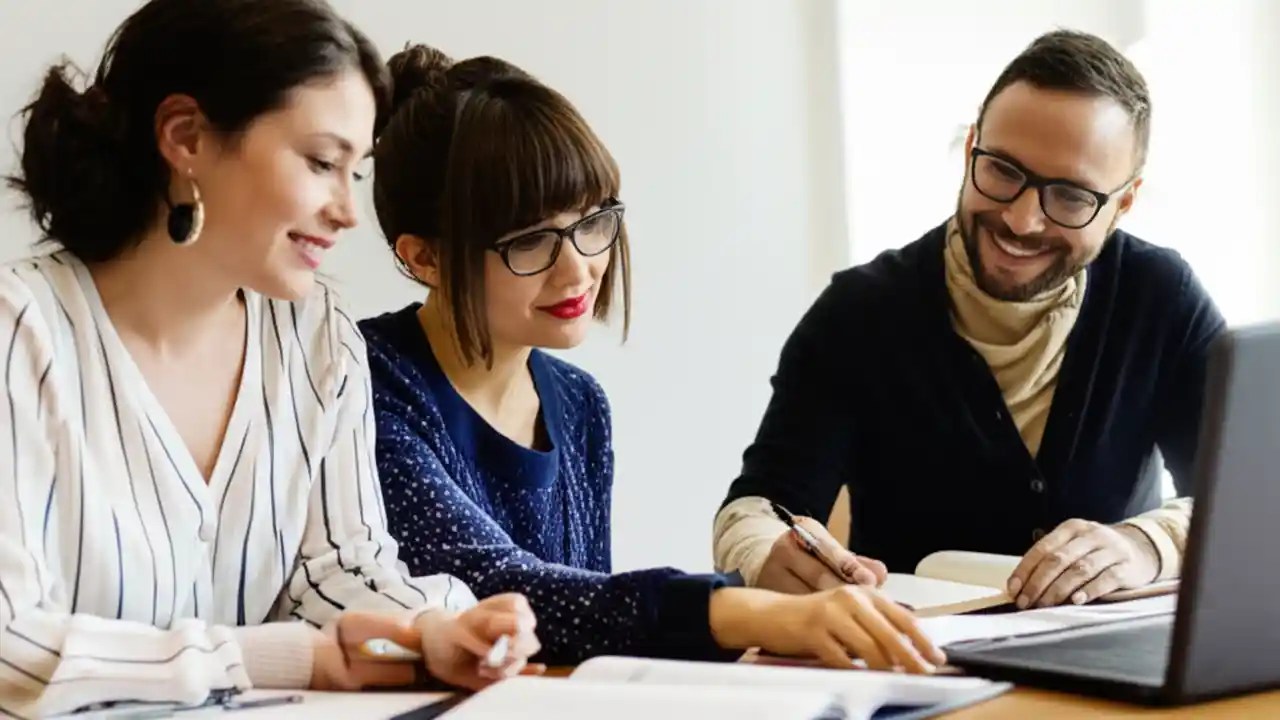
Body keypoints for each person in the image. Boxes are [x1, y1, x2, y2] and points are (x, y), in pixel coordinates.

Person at [0, 2, 539, 717]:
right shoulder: (22, 331)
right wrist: (261, 657)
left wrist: (429, 633)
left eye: (357, 172)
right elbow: (11, 645)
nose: (348, 212)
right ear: (185, 136)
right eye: (321, 163)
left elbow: (339, 571)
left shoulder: (319, 341)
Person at [360, 45, 945, 673]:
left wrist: (775, 582)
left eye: (591, 221)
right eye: (530, 240)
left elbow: (580, 632)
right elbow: (500, 591)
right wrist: (753, 612)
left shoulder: (580, 405)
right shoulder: (366, 383)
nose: (579, 267)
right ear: (423, 258)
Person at [713, 30, 1224, 611]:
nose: (1023, 219)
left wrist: (1146, 544)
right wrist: (764, 550)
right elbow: (753, 509)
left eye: (1071, 196)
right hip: (921, 665)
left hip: (1116, 669)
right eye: (1004, 170)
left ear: (1122, 204)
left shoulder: (1159, 295)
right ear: (970, 150)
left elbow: (1251, 493)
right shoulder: (858, 314)